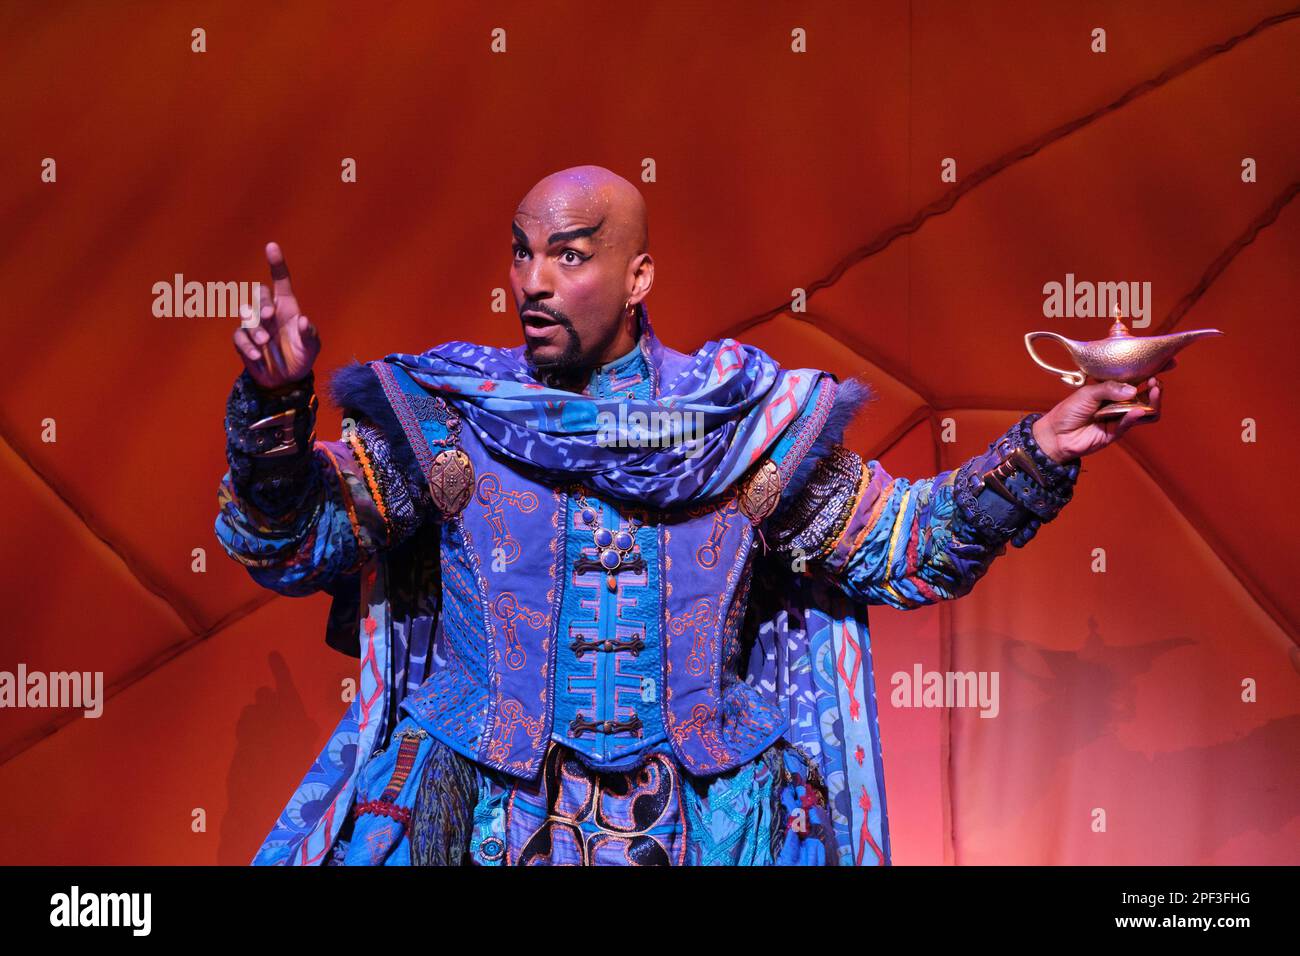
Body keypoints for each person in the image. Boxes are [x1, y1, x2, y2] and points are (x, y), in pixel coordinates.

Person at [215, 165, 1164, 866]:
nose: (532, 282)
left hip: (713, 824)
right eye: (522, 251)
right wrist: (273, 407)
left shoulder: (744, 426)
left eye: (570, 254)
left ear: (639, 279)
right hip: (477, 819)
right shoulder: (453, 417)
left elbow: (908, 544)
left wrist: (1042, 445)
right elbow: (293, 542)